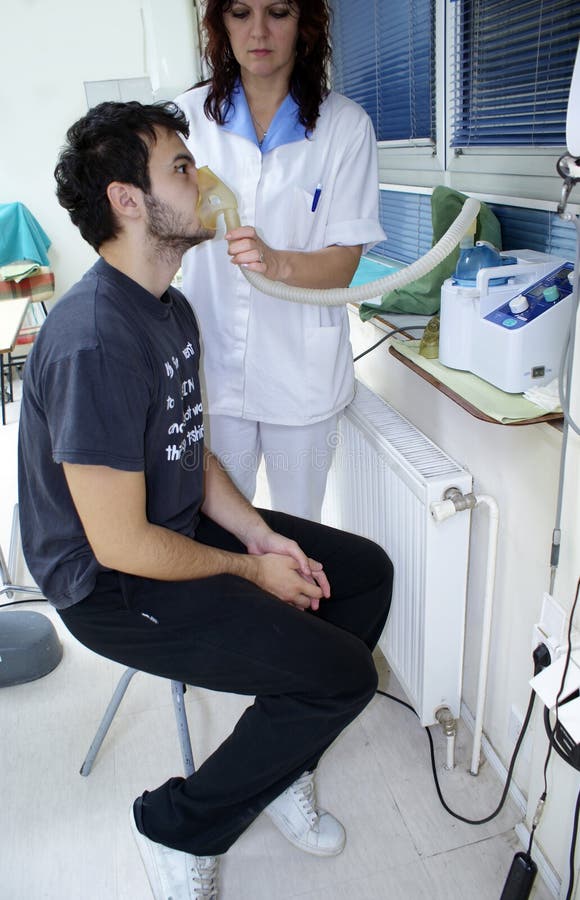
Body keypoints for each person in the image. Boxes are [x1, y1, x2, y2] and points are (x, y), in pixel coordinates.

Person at [17, 101, 393, 900]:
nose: (205, 181)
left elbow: (191, 447)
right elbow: (120, 544)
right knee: (344, 676)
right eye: (181, 168)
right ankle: (177, 826)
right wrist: (254, 576)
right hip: (109, 583)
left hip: (167, 529)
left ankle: (282, 755)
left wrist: (258, 537)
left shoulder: (170, 307)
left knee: (363, 572)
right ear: (127, 200)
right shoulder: (95, 340)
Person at [176, 0, 385, 521]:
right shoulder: (185, 121)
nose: (260, 31)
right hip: (214, 366)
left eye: (279, 12)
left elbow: (344, 266)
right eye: (241, 12)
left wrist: (278, 263)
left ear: (306, 23)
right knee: (221, 533)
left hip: (302, 375)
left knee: (299, 531)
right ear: (221, 23)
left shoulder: (345, 127)